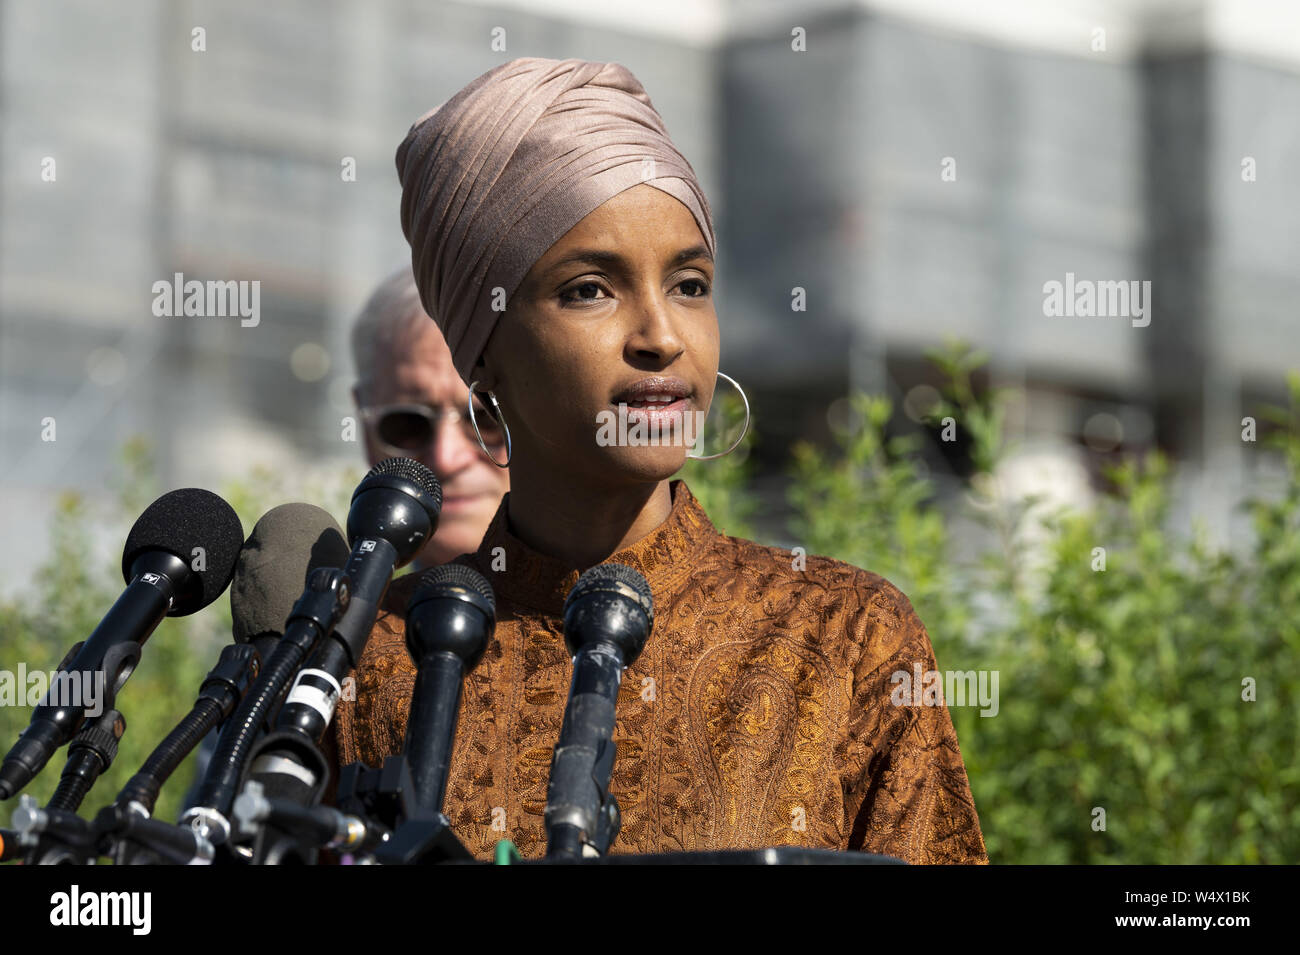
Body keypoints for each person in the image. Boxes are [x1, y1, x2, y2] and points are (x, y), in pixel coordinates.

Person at [329, 57, 989, 864]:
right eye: (588, 289)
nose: (662, 336)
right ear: (484, 352)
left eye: (688, 282)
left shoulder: (847, 636)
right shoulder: (374, 659)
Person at [349, 266, 510, 569]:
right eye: (408, 425)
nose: (446, 459)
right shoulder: (347, 614)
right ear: (366, 430)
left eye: (486, 419)